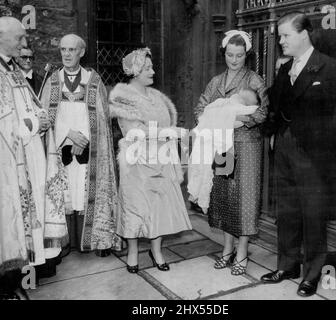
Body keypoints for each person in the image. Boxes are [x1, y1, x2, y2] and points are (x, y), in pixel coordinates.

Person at [260, 12, 336, 297]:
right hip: (284, 152)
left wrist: (325, 149)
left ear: (304, 35)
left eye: (286, 35)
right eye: (279, 36)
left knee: (313, 216)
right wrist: (270, 133)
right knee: (286, 212)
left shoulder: (331, 68)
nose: (281, 41)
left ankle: (312, 274)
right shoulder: (284, 68)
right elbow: (276, 107)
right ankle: (287, 265)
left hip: (314, 156)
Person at [0, 17, 67, 299]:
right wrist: (31, 124)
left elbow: (28, 105)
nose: (24, 43)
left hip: (27, 155)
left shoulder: (13, 69)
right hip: (8, 159)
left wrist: (39, 117)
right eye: (19, 38)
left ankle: (17, 279)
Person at [109, 47, 192, 273]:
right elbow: (132, 130)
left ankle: (156, 251)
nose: (153, 71)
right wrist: (167, 133)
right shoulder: (123, 97)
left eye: (152, 66)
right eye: (147, 68)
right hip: (137, 161)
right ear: (135, 72)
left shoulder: (156, 97)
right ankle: (133, 252)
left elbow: (165, 125)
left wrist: (169, 134)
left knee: (158, 208)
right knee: (135, 207)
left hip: (161, 158)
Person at [194, 30, 268, 276]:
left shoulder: (255, 80)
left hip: (247, 145)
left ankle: (243, 251)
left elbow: (263, 112)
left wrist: (241, 120)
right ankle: (227, 248)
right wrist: (214, 119)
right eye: (229, 55)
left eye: (239, 56)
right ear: (224, 54)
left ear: (246, 55)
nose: (234, 60)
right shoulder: (216, 81)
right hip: (222, 146)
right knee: (224, 196)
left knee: (245, 198)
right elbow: (201, 107)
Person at [41, 34, 120, 256]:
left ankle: (96, 238)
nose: (66, 54)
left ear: (81, 52)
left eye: (71, 50)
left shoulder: (93, 80)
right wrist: (69, 135)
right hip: (61, 149)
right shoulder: (52, 81)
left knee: (85, 191)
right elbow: (46, 115)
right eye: (63, 50)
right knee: (66, 192)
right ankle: (65, 243)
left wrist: (83, 139)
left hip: (89, 149)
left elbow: (103, 119)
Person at [188, 89, 259, 212]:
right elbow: (252, 111)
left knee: (201, 170)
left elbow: (204, 113)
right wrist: (255, 108)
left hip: (203, 139)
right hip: (216, 142)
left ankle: (196, 198)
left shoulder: (218, 103)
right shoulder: (234, 106)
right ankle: (206, 202)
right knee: (210, 172)